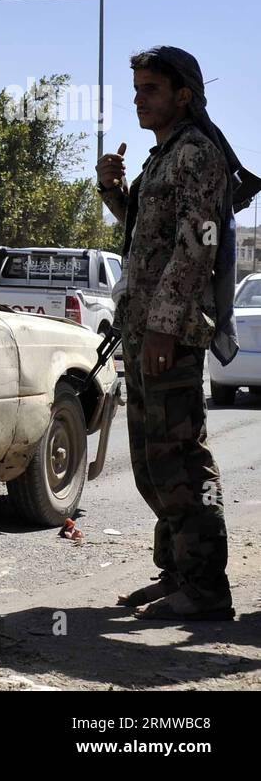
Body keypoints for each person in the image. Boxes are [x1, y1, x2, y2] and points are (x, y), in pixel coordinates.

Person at [96, 46, 246, 621]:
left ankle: (207, 589)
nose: (138, 98)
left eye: (150, 89)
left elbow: (197, 242)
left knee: (181, 461)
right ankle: (178, 574)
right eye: (136, 88)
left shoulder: (197, 154)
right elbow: (149, 236)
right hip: (144, 332)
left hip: (172, 334)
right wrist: (114, 191)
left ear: (182, 95)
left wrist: (161, 329)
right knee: (150, 463)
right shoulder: (161, 157)